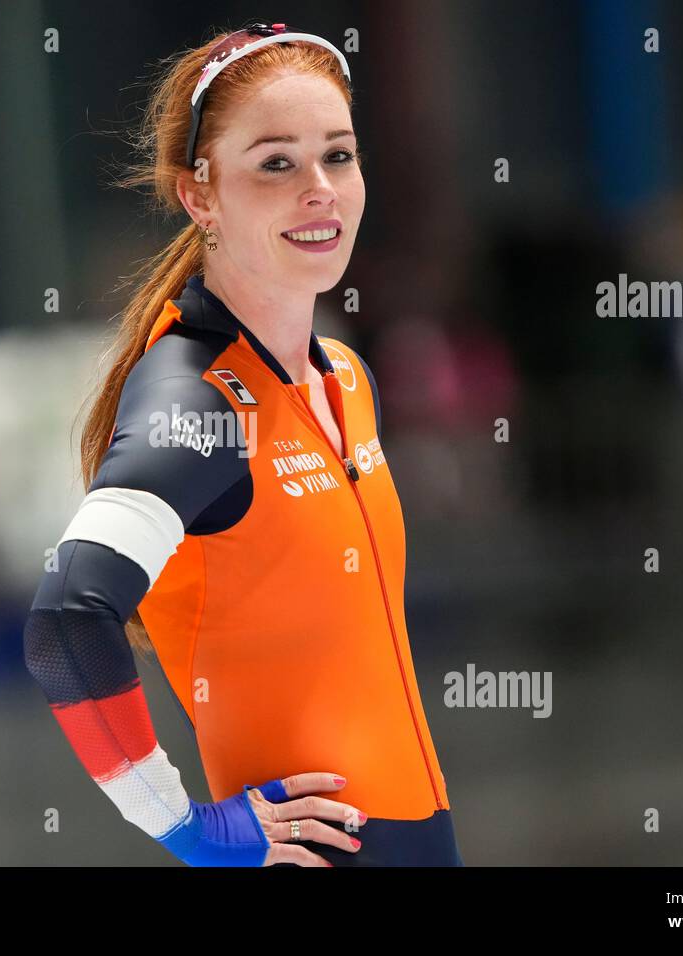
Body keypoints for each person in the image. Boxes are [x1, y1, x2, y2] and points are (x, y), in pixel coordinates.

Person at [23, 21, 463, 867]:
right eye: (275, 163)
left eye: (338, 155)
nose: (320, 189)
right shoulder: (197, 398)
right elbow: (67, 620)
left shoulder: (341, 378)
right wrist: (186, 827)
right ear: (200, 195)